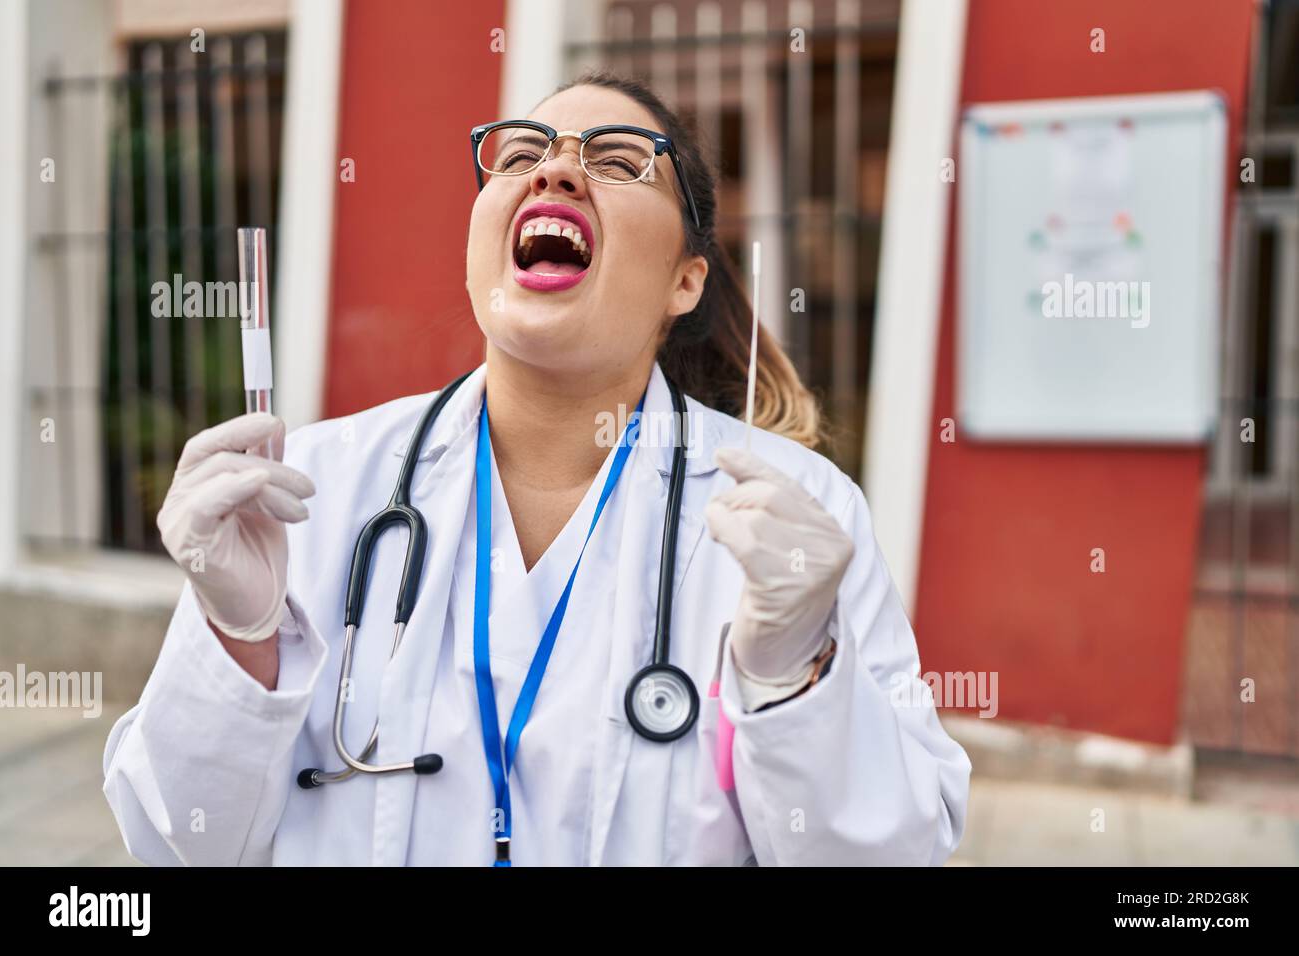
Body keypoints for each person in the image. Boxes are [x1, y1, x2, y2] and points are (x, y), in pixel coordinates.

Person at [102, 70, 970, 866]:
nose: (554, 172)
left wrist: (796, 675)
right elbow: (181, 848)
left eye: (621, 161)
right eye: (520, 153)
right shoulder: (309, 491)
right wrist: (237, 640)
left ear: (685, 281)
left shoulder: (798, 514)